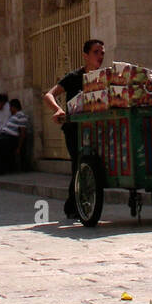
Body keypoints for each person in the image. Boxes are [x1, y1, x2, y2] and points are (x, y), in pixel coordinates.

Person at [43, 39, 105, 219]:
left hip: (94, 127)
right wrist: (58, 109)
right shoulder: (74, 77)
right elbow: (49, 95)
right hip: (74, 128)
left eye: (102, 53)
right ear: (85, 55)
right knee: (79, 162)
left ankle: (76, 202)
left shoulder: (104, 77)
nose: (100, 56)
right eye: (96, 52)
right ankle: (74, 204)